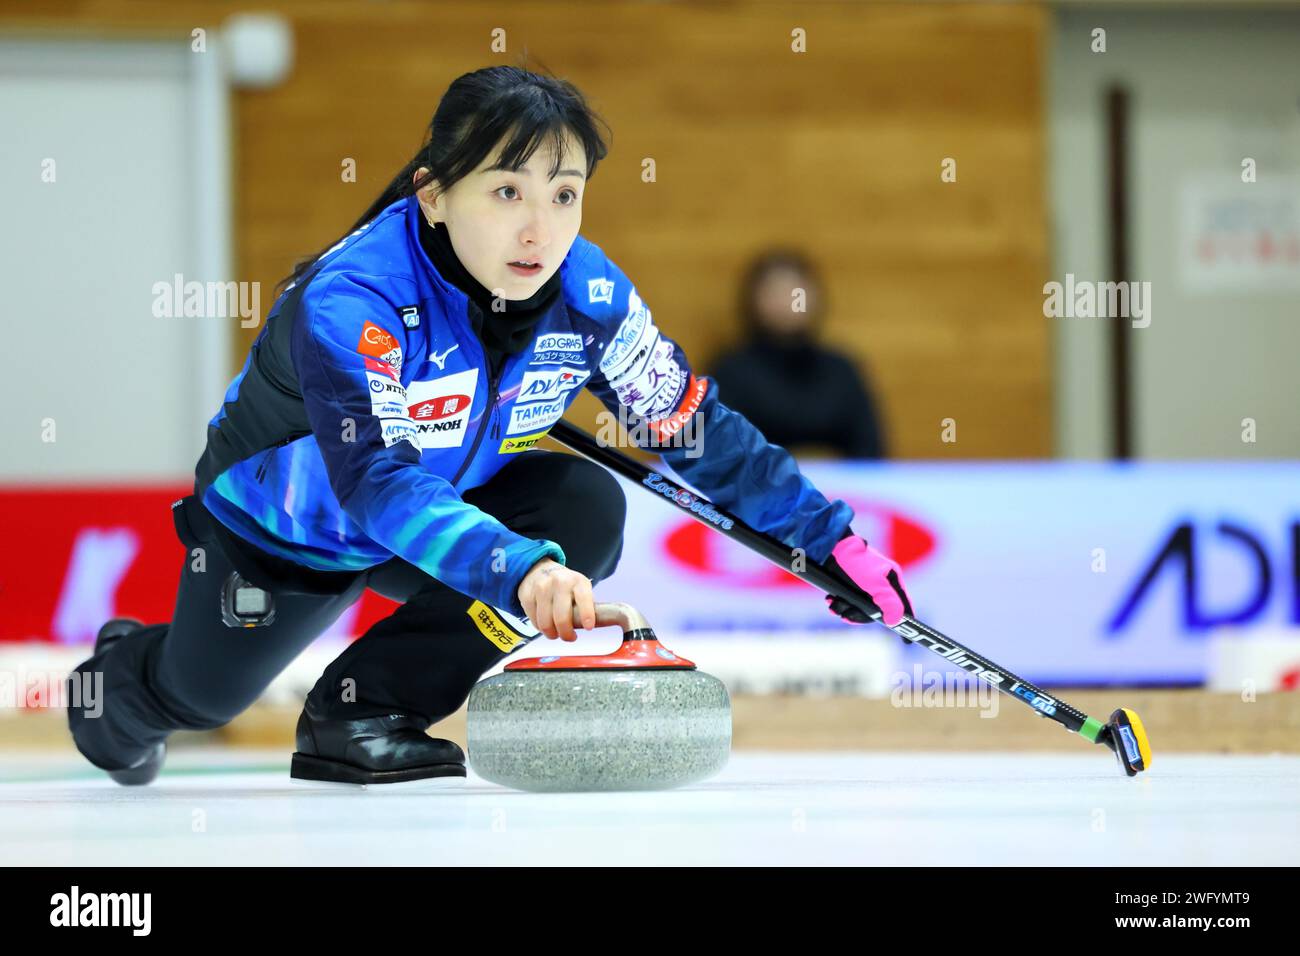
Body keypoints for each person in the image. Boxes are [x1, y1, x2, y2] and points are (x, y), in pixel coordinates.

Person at [66, 65, 913, 789]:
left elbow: (695, 428)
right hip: (283, 532)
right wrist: (517, 569)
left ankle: (363, 712)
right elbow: (379, 485)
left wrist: (826, 541)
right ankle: (116, 680)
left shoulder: (593, 299)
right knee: (197, 701)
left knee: (585, 511)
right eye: (506, 191)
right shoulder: (351, 300)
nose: (538, 228)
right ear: (434, 194)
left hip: (444, 513)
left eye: (564, 194)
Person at [710, 249, 887, 458]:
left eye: (795, 293)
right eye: (774, 292)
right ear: (752, 300)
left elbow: (870, 450)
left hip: (839, 489)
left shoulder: (841, 369)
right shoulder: (731, 372)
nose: (786, 303)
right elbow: (719, 451)